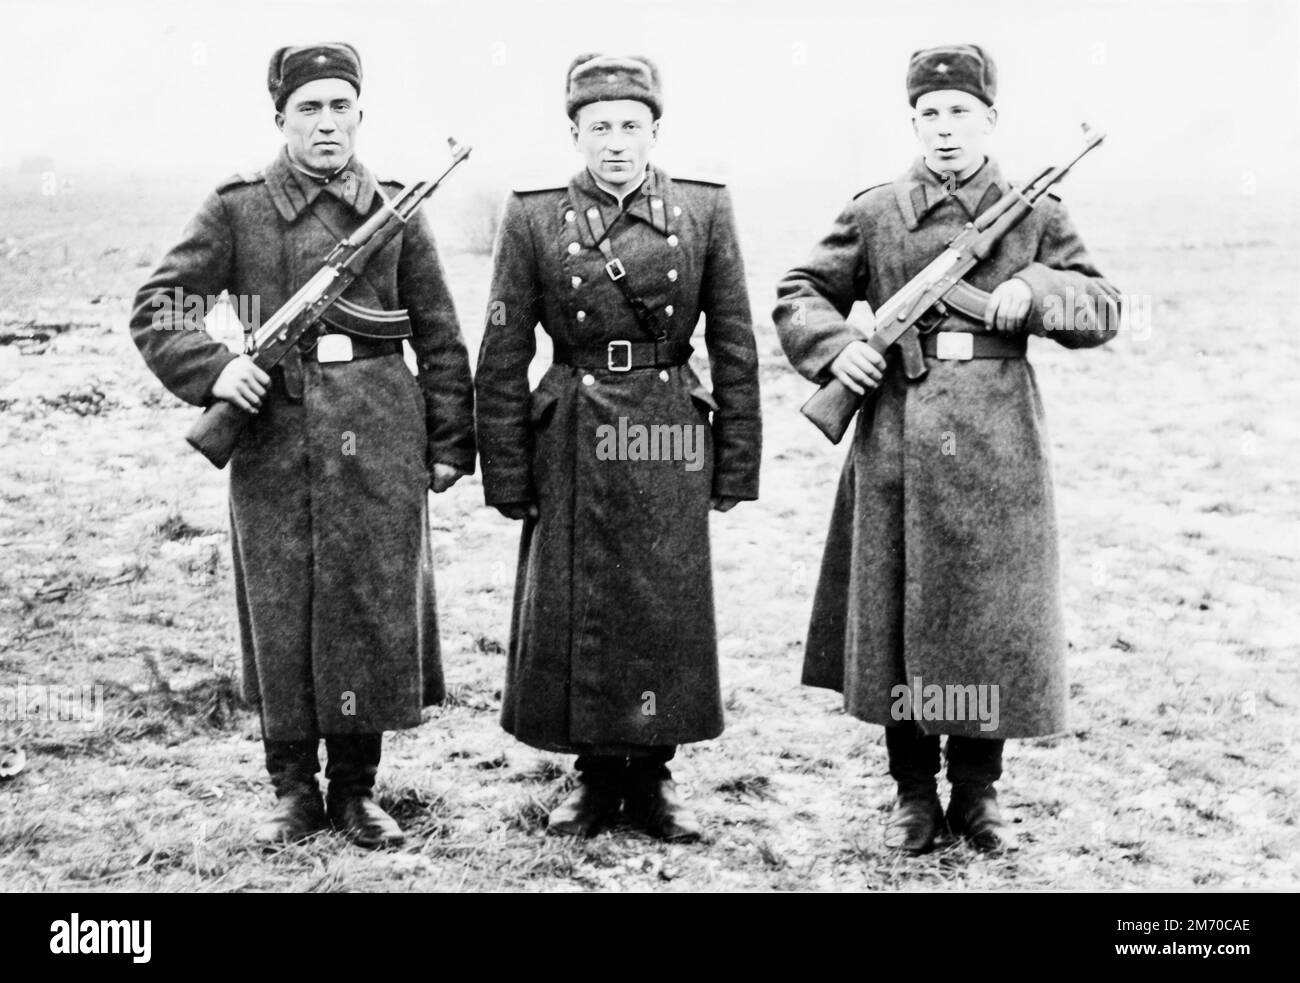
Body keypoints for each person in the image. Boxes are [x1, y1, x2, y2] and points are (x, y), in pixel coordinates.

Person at [773, 44, 1120, 854]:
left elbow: (1101, 306)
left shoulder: (1033, 211)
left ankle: (978, 790)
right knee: (899, 615)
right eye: (930, 113)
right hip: (899, 431)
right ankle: (912, 793)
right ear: (913, 122)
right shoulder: (878, 210)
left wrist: (1031, 292)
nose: (945, 127)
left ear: (991, 119)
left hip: (998, 437)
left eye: (961, 111)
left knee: (983, 617)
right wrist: (835, 348)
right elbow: (802, 290)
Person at [129, 43, 476, 849]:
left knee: (369, 606)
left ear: (361, 114)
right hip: (275, 437)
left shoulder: (397, 212)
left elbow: (442, 337)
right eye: (309, 108)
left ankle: (358, 790)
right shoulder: (237, 208)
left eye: (341, 106)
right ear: (279, 118)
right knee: (280, 610)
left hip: (380, 437)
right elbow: (159, 308)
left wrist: (450, 442)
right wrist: (218, 373)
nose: (327, 123)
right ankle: (292, 789)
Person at [475, 54, 761, 841]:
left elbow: (734, 340)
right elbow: (501, 349)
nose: (616, 143)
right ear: (575, 133)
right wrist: (503, 466)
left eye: (631, 126)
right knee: (580, 601)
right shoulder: (534, 215)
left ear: (655, 131)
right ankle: (595, 779)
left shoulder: (704, 209)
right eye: (598, 128)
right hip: (571, 427)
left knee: (663, 603)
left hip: (669, 423)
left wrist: (736, 459)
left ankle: (655, 778)